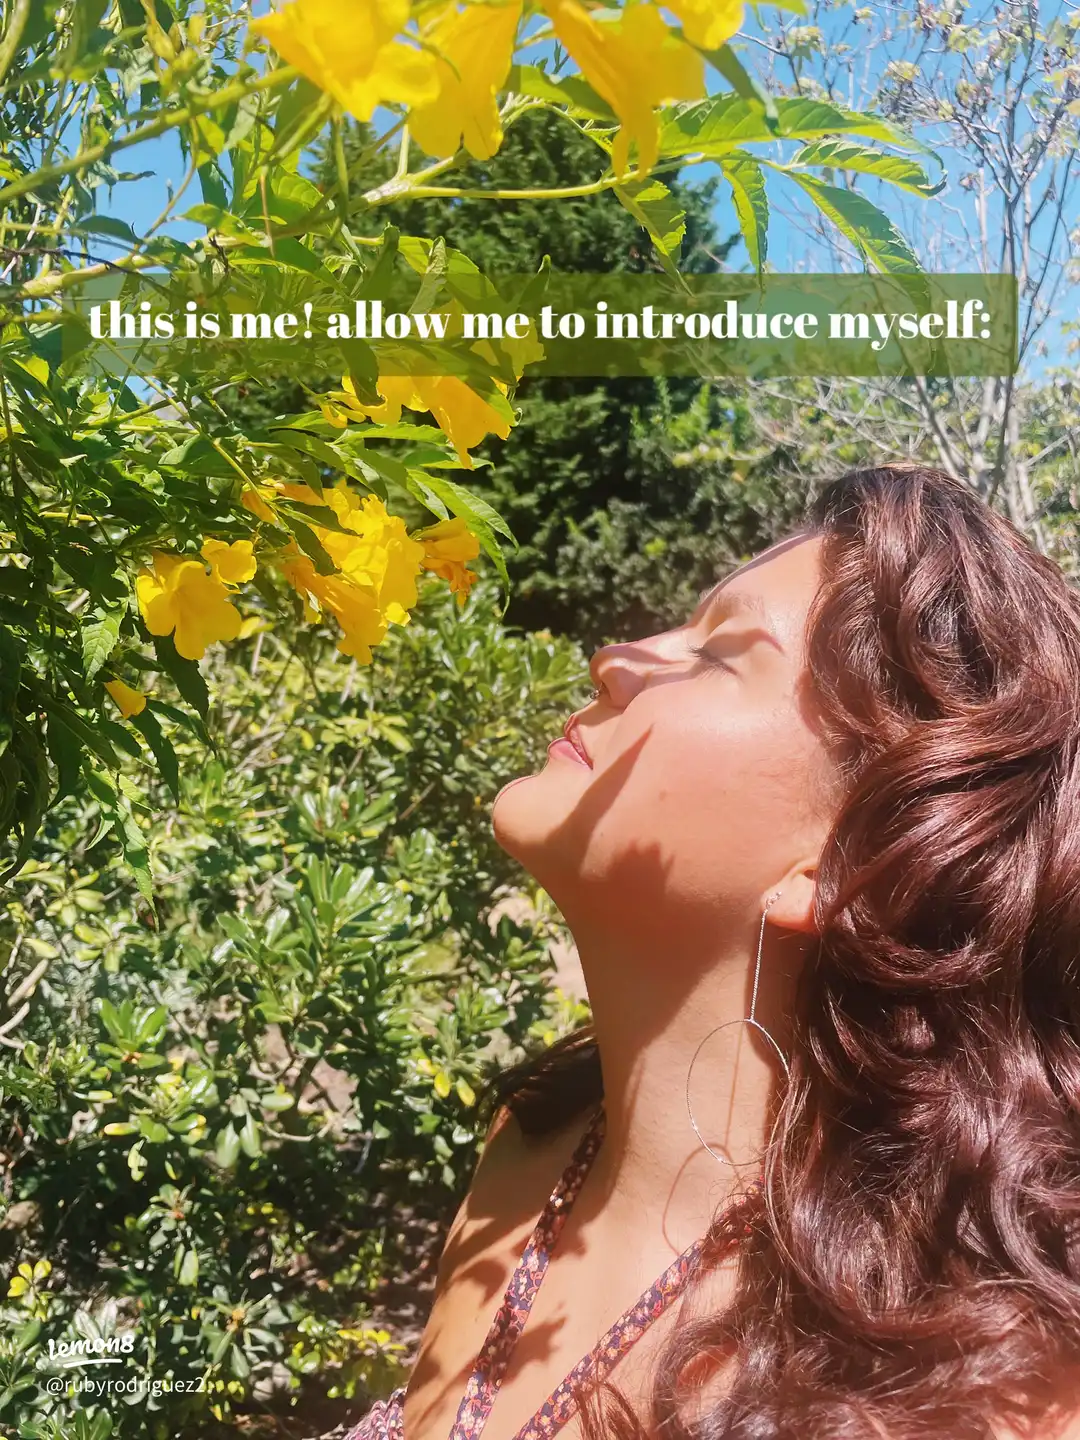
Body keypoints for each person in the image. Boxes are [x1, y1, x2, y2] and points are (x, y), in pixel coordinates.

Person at [345, 464, 1080, 1440]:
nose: (617, 655)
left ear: (850, 865)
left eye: (725, 651)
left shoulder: (984, 1400)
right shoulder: (531, 1148)